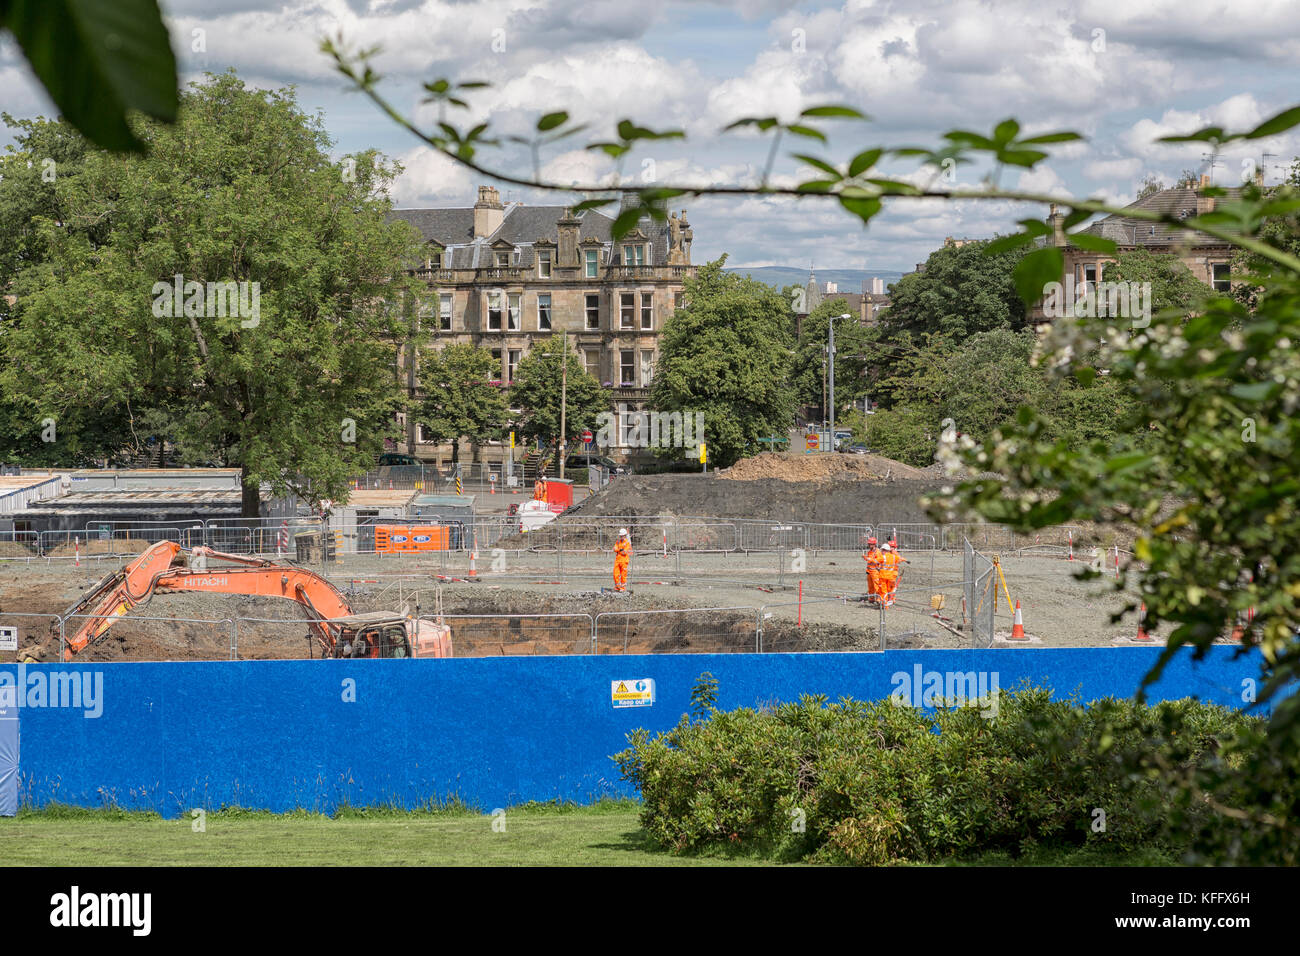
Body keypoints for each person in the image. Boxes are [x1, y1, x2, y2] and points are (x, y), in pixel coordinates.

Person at [879, 542, 909, 608]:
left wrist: (905, 560)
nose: (891, 548)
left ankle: (890, 599)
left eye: (892, 547)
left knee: (890, 588)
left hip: (892, 573)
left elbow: (899, 559)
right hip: (890, 572)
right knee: (888, 588)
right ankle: (889, 599)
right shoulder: (891, 554)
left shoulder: (893, 554)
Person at [863, 537, 883, 605]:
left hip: (875, 571)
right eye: (869, 544)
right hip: (869, 571)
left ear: (874, 544)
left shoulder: (878, 552)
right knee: (870, 586)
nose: (869, 546)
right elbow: (869, 561)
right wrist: (866, 558)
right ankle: (871, 598)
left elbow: (880, 560)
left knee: (876, 586)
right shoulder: (869, 552)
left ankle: (878, 599)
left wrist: (870, 559)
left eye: (870, 544)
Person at [613, 528, 633, 592]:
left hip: (624, 560)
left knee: (623, 574)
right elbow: (614, 549)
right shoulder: (618, 541)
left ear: (624, 535)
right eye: (620, 536)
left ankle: (622, 588)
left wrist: (619, 550)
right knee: (615, 574)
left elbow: (624, 552)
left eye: (622, 535)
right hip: (618, 560)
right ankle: (617, 586)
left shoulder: (627, 542)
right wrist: (620, 549)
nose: (621, 537)